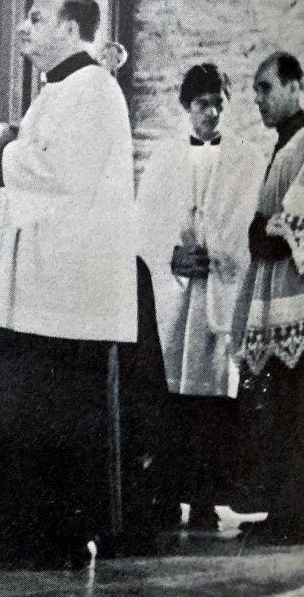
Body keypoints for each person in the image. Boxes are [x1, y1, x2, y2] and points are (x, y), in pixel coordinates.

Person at [0, 0, 138, 567]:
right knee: (8, 401)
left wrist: (1, 142)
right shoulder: (60, 90)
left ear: (71, 29)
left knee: (47, 411)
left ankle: (51, 535)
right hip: (37, 286)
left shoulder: (95, 89)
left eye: (37, 18)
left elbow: (64, 169)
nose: (22, 28)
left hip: (66, 292)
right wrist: (13, 139)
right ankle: (7, 531)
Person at [136, 63, 265, 531]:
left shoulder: (248, 159)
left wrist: (222, 252)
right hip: (176, 296)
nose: (211, 113)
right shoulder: (165, 158)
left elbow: (250, 220)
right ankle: (166, 493)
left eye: (218, 104)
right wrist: (171, 254)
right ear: (186, 107)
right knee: (171, 397)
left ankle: (208, 499)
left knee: (213, 401)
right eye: (202, 104)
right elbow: (146, 221)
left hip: (221, 290)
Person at [232, 51, 304, 544]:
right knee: (275, 403)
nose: (258, 98)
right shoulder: (285, 146)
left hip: (294, 296)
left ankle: (294, 515)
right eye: (256, 89)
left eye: (266, 87)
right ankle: (282, 510)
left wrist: (265, 229)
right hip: (272, 292)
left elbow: (281, 230)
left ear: (296, 85)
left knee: (293, 403)